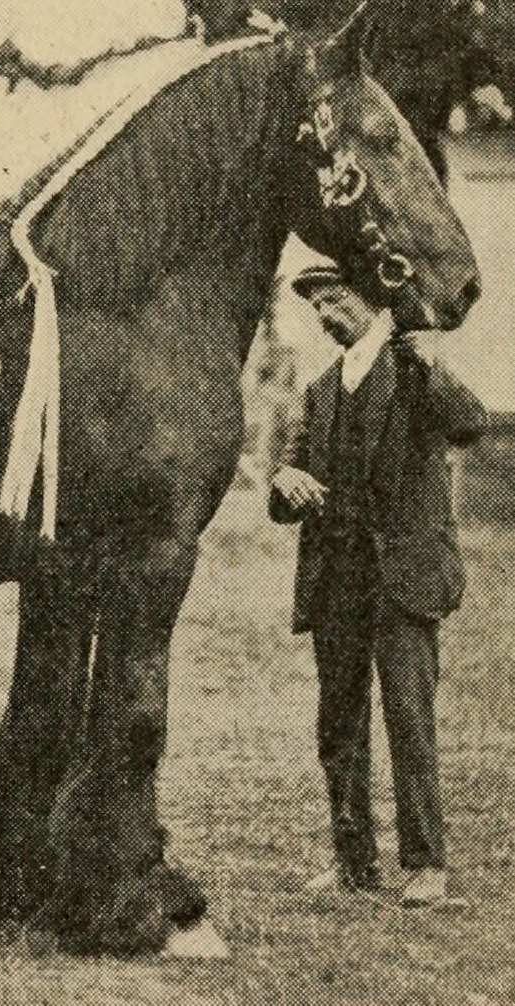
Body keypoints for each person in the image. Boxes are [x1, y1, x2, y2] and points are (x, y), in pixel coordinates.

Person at [269, 263, 487, 906]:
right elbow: (289, 485)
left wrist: (429, 361)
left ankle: (426, 866)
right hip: (337, 579)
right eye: (316, 308)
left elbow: (470, 423)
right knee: (338, 724)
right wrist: (284, 480)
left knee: (409, 720)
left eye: (334, 300)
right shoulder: (319, 389)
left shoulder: (413, 370)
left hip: (404, 580)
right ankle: (353, 860)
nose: (325, 316)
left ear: (371, 298)